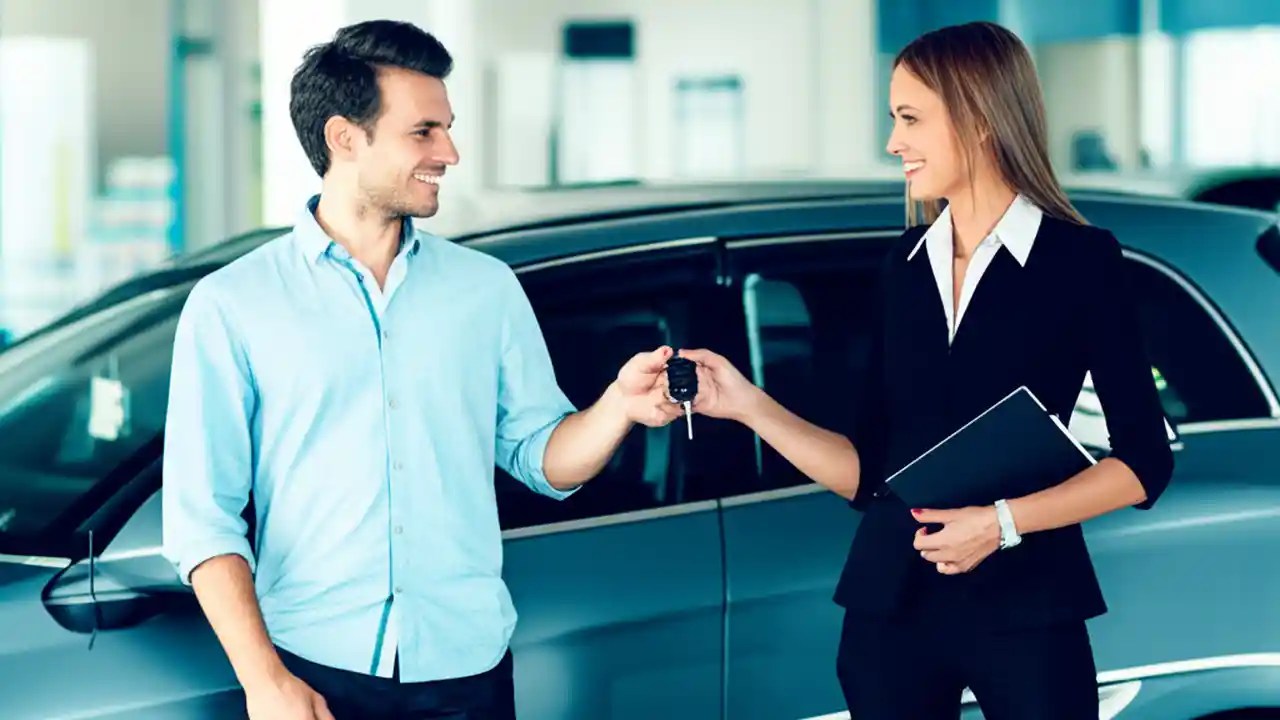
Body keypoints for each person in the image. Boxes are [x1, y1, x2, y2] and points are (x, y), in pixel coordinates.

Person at [161, 20, 685, 720]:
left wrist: (616, 407)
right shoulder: (232, 305)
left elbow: (542, 460)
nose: (450, 151)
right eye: (424, 132)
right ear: (345, 138)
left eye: (447, 129)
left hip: (469, 671)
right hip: (313, 675)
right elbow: (202, 519)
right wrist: (266, 681)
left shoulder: (486, 289)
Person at [681, 21, 1174, 720]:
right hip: (892, 608)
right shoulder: (902, 267)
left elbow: (1144, 463)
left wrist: (1000, 523)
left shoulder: (1081, 262)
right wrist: (747, 404)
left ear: (978, 118)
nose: (893, 143)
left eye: (909, 118)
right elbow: (868, 474)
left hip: (1028, 605)